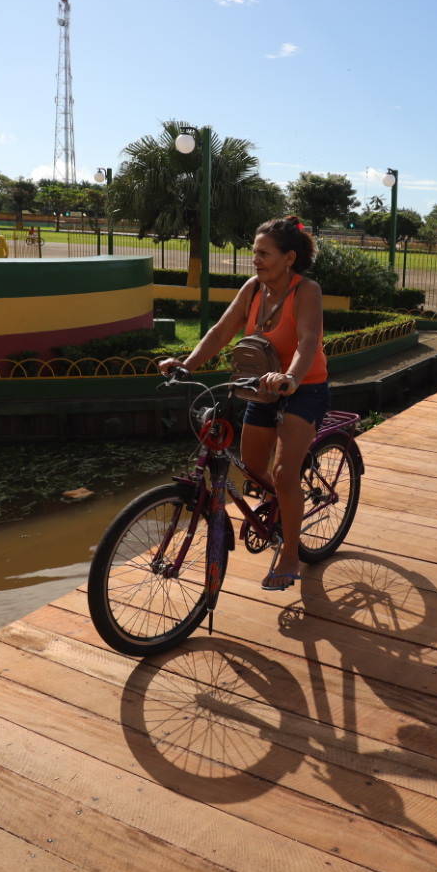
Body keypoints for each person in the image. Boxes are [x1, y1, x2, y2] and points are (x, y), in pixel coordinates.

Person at [157, 215, 329, 591]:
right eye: (255, 252)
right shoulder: (253, 289)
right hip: (258, 387)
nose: (256, 260)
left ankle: (289, 554)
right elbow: (220, 331)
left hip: (304, 387)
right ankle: (287, 503)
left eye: (264, 253)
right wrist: (185, 366)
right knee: (252, 468)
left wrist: (291, 378)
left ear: (289, 258)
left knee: (283, 474)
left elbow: (308, 340)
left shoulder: (307, 291)